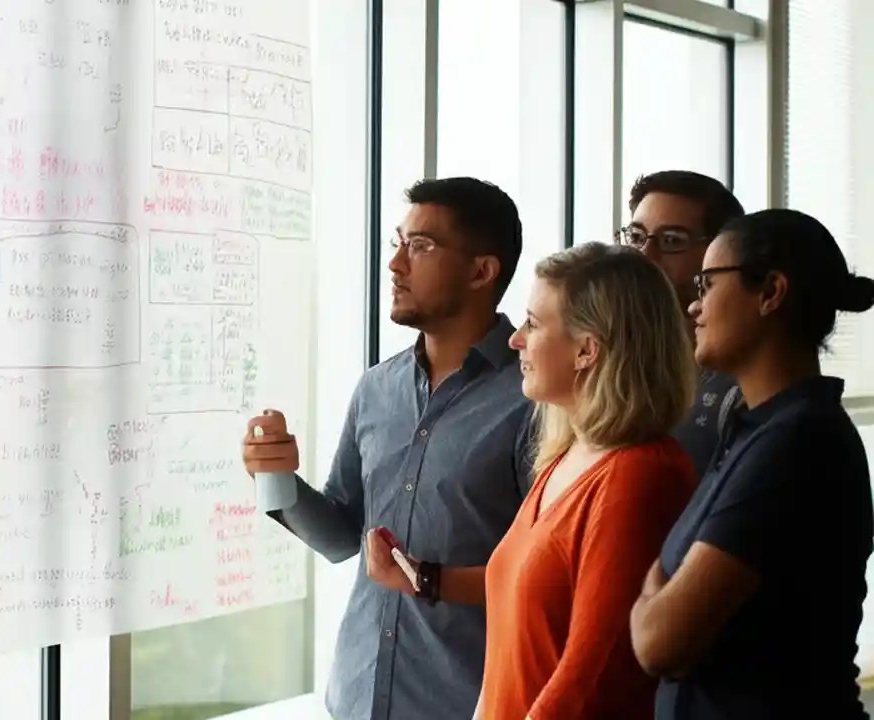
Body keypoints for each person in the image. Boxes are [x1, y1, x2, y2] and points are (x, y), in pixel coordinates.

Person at [243, 177, 532, 720]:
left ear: (481, 271)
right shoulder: (377, 388)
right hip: (357, 696)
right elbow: (340, 537)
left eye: (420, 246)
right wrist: (277, 477)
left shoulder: (533, 399)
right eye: (398, 243)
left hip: (468, 701)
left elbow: (544, 576)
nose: (396, 264)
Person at [367, 243, 697, 718]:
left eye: (533, 324)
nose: (515, 340)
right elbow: (508, 659)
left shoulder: (640, 474)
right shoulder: (565, 457)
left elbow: (592, 671)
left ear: (587, 350)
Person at [630, 209, 874, 718]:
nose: (695, 305)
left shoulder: (798, 442)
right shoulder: (752, 427)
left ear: (771, 293)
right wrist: (658, 594)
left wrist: (651, 596)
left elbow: (659, 644)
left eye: (708, 283)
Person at [619, 170, 747, 473]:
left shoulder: (741, 386)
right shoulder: (605, 361)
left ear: (717, 253)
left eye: (672, 240)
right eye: (636, 237)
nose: (645, 256)